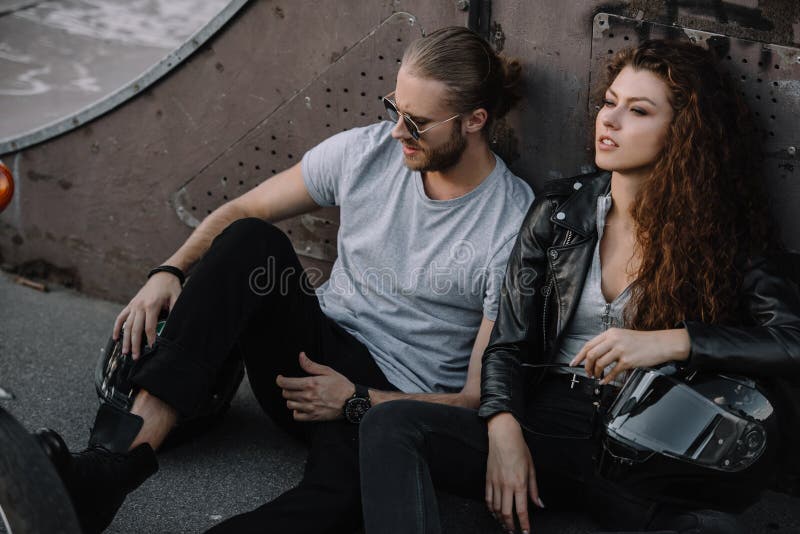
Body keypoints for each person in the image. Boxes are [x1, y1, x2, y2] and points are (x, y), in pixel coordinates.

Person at [34, 26, 535, 534]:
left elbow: (475, 397)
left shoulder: (511, 224)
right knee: (252, 239)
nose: (396, 132)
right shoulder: (366, 153)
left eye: (418, 122)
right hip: (304, 362)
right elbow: (246, 207)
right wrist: (170, 270)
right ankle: (108, 468)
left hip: (388, 403)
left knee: (342, 505)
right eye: (394, 108)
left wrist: (357, 399)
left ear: (475, 120)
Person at [358, 39, 800, 534]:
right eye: (609, 102)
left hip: (650, 441)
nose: (609, 120)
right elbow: (507, 341)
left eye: (637, 110)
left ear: (683, 132)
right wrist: (503, 430)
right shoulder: (559, 210)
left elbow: (790, 340)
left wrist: (671, 341)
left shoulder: (727, 232)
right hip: (547, 423)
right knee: (391, 424)